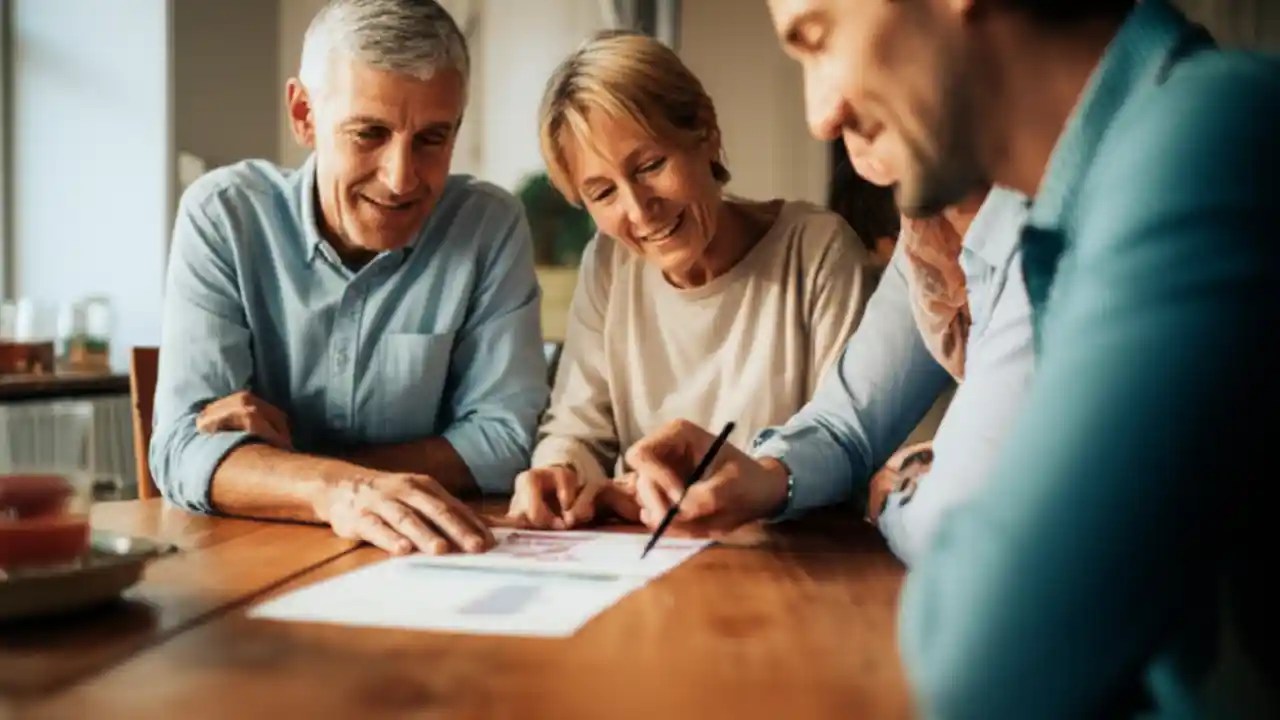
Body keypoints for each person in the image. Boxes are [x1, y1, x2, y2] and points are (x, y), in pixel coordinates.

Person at [646, 0, 1280, 716]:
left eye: (819, 40)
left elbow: (980, 660)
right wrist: (766, 475)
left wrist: (913, 490)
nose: (820, 115)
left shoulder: (1204, 143)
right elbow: (850, 420)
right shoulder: (1048, 203)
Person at [150, 0, 548, 557]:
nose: (401, 178)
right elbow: (181, 452)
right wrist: (336, 489)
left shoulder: (487, 226)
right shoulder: (224, 215)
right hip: (251, 557)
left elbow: (505, 441)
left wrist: (285, 474)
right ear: (304, 114)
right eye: (369, 133)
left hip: (427, 559)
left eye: (432, 139)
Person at [504, 31, 873, 529]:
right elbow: (578, 427)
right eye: (603, 192)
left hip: (790, 560)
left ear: (707, 132)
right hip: (655, 557)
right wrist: (559, 471)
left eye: (651, 165)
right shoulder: (609, 262)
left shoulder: (817, 251)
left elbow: (845, 446)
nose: (639, 210)